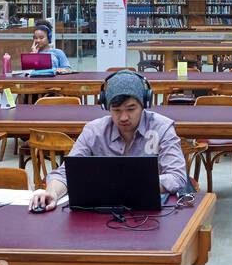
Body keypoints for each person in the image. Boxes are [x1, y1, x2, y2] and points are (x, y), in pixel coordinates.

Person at [29, 71, 187, 210]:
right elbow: (66, 173)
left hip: (148, 211)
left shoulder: (162, 128)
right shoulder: (94, 130)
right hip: (102, 211)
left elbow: (178, 177)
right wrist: (52, 192)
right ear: (106, 106)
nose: (124, 117)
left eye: (131, 109)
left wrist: (125, 183)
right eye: (116, 110)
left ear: (144, 104)